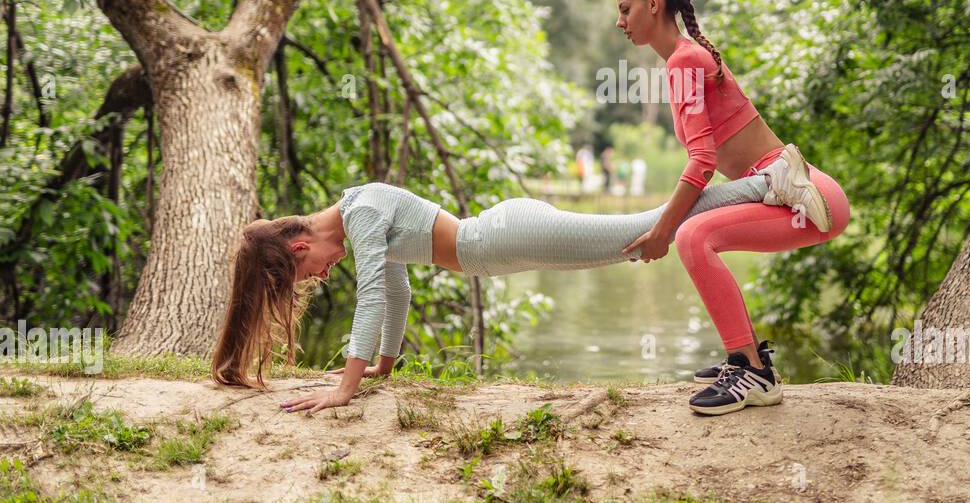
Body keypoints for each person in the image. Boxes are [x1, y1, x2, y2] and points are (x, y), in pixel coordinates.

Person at [209, 145, 828, 412]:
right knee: (635, 240)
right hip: (502, 242)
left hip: (505, 238)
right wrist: (381, 368)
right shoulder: (357, 215)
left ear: (298, 245)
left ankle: (768, 182)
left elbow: (372, 291)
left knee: (639, 235)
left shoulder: (360, 212)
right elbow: (394, 288)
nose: (319, 275)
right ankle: (764, 185)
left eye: (305, 274)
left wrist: (343, 389)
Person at [614, 0, 850, 415]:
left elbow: (701, 161)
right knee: (698, 234)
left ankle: (754, 375)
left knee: (692, 236)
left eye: (626, 9)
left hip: (806, 199)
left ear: (654, 4)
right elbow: (705, 161)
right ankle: (745, 357)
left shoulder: (684, 61)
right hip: (779, 192)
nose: (620, 21)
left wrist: (663, 229)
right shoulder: (682, 59)